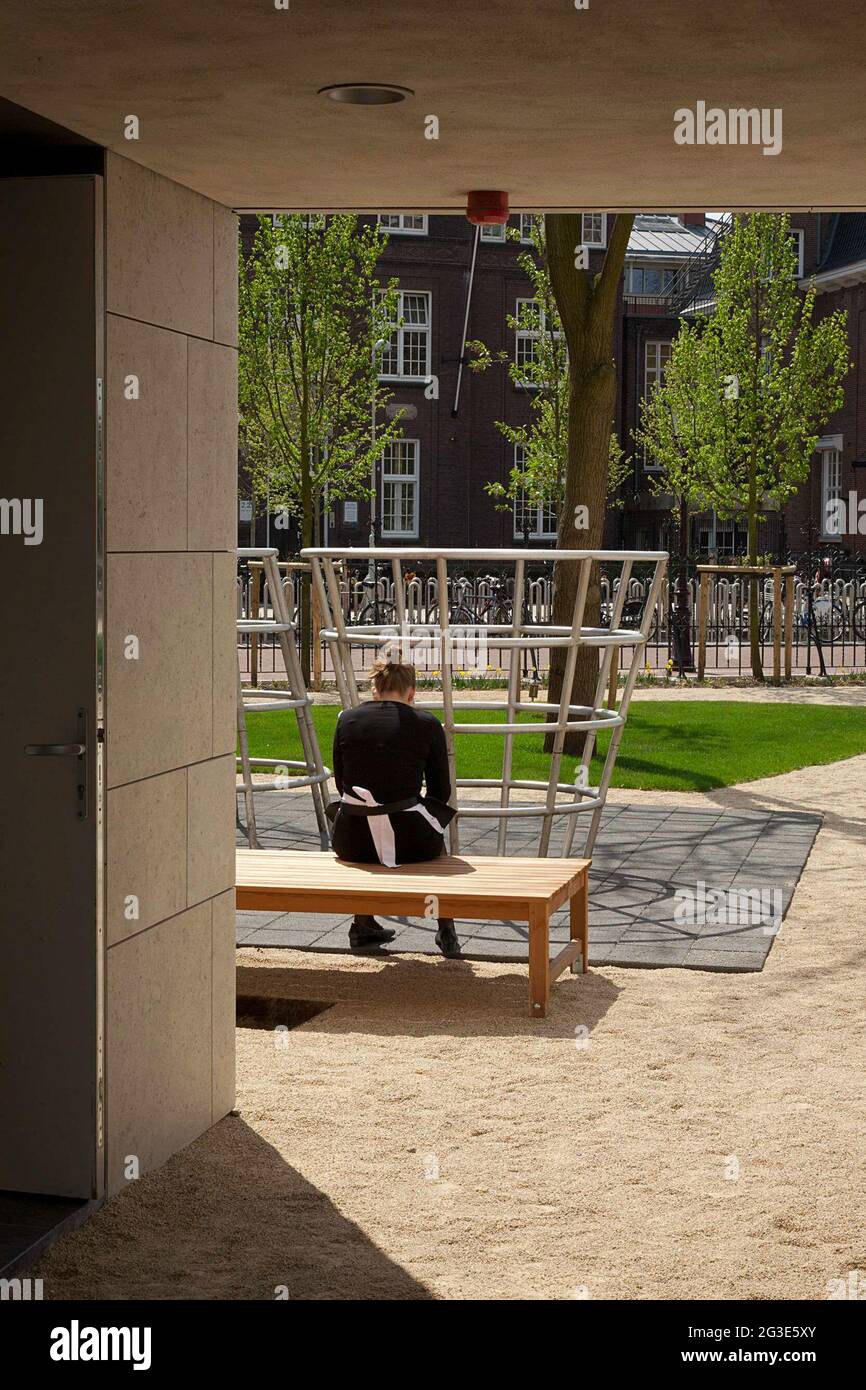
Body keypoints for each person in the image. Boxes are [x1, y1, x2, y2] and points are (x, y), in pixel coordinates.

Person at [327, 659, 461, 957]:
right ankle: (446, 929)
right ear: (411, 693)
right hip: (411, 842)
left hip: (353, 841)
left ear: (375, 690)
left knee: (356, 815)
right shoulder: (427, 724)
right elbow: (442, 791)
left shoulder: (346, 719)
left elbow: (342, 783)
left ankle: (362, 924)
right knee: (434, 840)